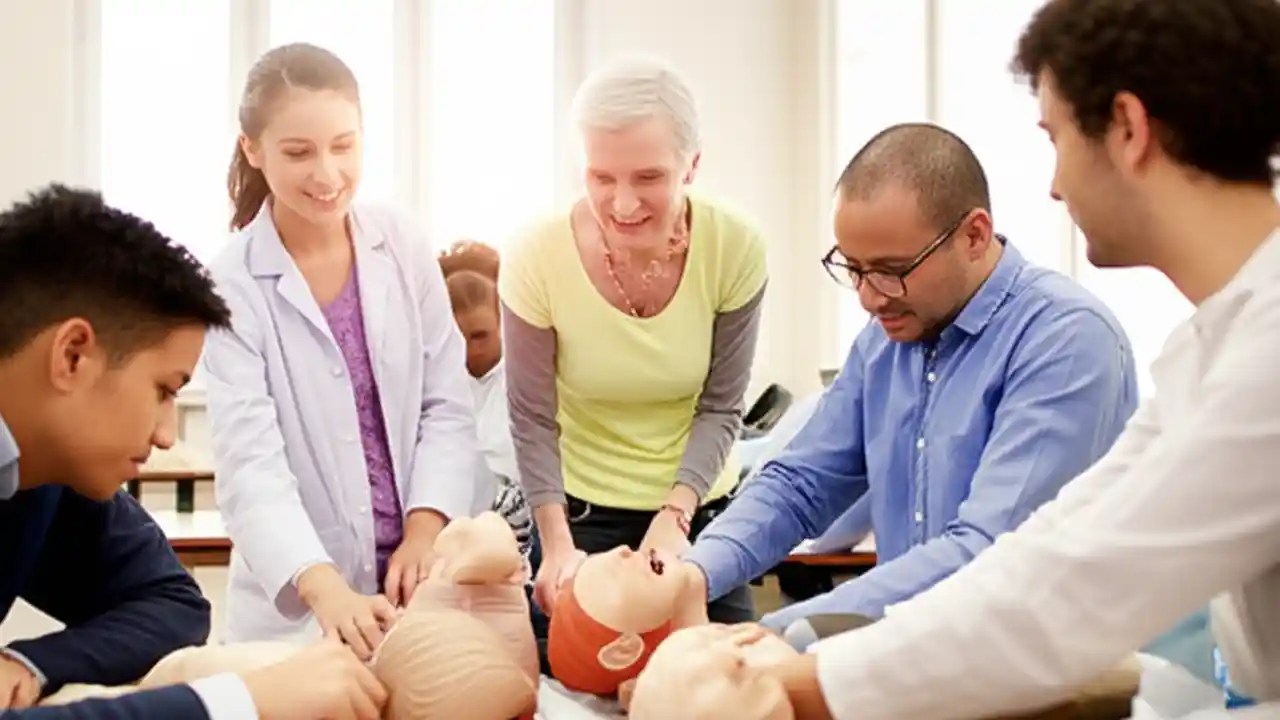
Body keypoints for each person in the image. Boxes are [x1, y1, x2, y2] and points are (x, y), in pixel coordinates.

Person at [739, 1, 1280, 718]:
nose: (1055, 186)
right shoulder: (1219, 346)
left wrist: (787, 679)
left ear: (1127, 128)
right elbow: (1055, 545)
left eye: (1055, 139)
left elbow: (1072, 591)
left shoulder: (1260, 359)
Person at [682, 122, 1137, 639]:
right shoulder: (884, 341)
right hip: (915, 669)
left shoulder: (1066, 341)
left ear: (974, 235)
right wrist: (693, 574)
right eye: (853, 268)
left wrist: (779, 634)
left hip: (1044, 679)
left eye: (891, 269)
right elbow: (800, 483)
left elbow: (986, 551)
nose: (870, 297)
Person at [0, 185, 386, 719]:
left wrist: (27, 663)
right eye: (164, 390)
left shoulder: (42, 475)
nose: (164, 435)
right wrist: (241, 703)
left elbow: (172, 605)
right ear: (73, 356)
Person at [202, 42, 485, 657]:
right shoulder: (232, 284)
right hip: (306, 608)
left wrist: (424, 528)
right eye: (299, 153)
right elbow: (251, 466)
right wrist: (325, 589)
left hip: (422, 580)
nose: (327, 175)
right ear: (252, 149)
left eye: (344, 145)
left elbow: (446, 403)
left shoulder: (401, 242)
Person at [499, 56, 768, 631]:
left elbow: (721, 406)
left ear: (691, 166)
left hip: (699, 513)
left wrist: (676, 516)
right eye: (601, 177)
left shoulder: (736, 247)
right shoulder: (535, 257)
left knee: (724, 685)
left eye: (648, 178)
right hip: (579, 518)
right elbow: (531, 417)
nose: (623, 204)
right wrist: (557, 544)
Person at [438, 241, 533, 564]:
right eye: (458, 337)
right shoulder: (432, 385)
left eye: (480, 336)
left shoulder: (530, 376)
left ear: (502, 323)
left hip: (526, 536)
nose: (469, 348)